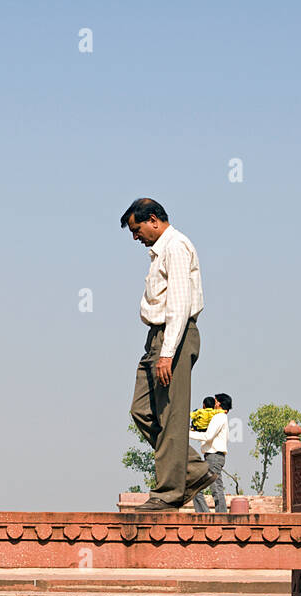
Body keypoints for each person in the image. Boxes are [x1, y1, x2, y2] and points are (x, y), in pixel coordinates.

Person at [122, 198, 215, 511]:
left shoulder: (175, 247)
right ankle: (193, 469)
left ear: (152, 219)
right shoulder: (161, 250)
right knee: (142, 410)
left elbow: (178, 304)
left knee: (170, 416)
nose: (136, 237)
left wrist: (167, 354)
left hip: (173, 337)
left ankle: (168, 493)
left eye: (137, 229)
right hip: (158, 338)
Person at [190, 393, 232, 514]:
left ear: (219, 403)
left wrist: (186, 433)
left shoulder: (220, 417)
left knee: (215, 488)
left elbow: (208, 436)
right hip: (212, 456)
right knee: (197, 487)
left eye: (215, 401)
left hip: (214, 456)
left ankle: (221, 517)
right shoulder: (219, 417)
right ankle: (206, 515)